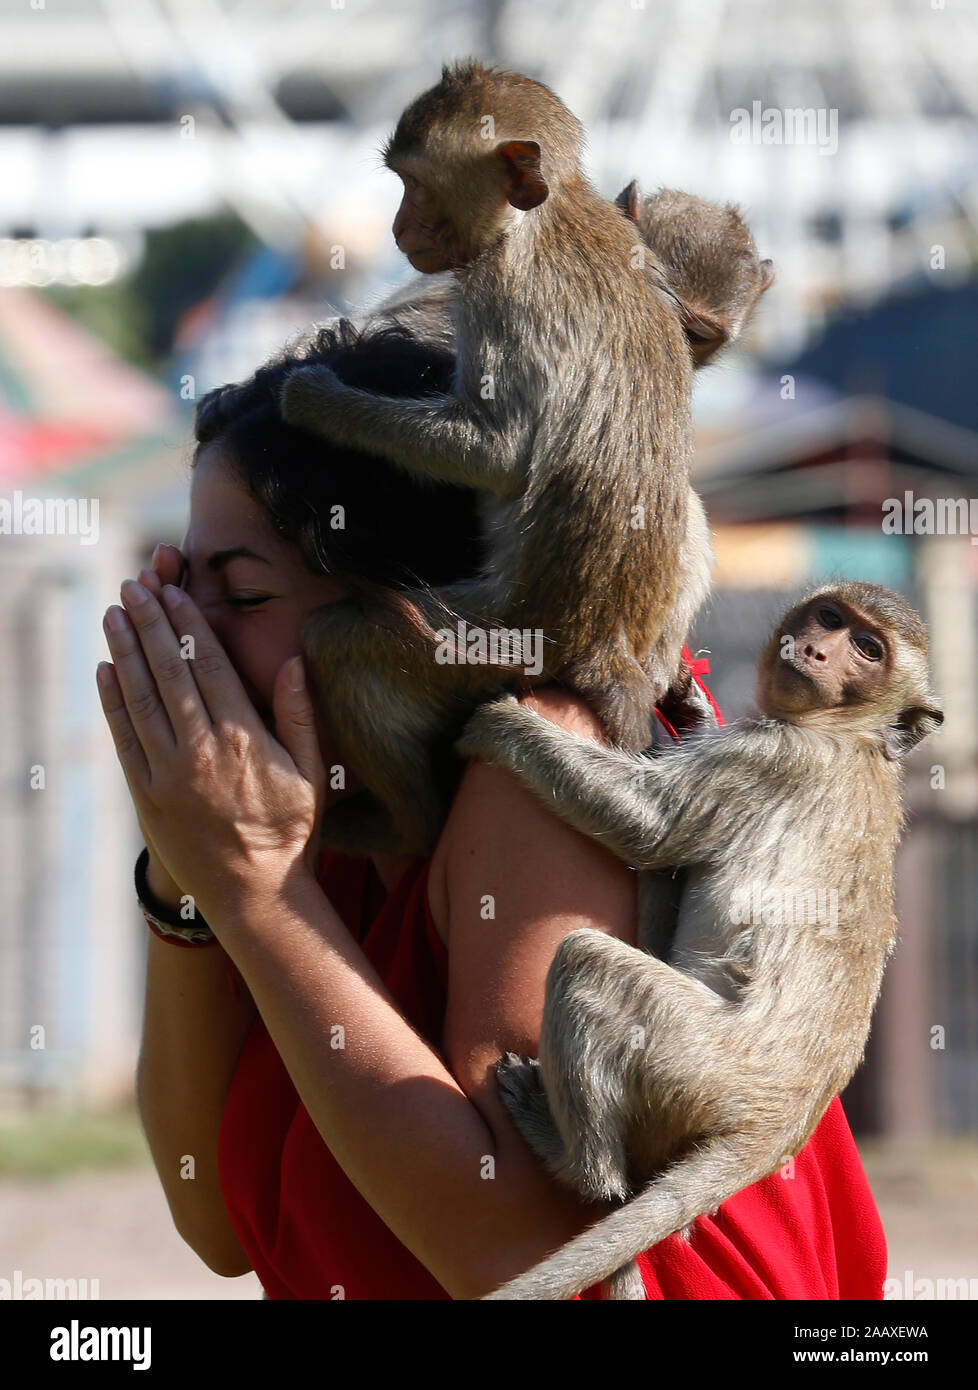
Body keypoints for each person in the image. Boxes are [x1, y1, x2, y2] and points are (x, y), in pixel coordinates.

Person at [97, 320, 887, 1300]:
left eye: (240, 597)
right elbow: (215, 1216)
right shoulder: (346, 826)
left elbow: (533, 1264)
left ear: (408, 620)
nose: (183, 642)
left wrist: (254, 894)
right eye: (179, 589)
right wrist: (188, 874)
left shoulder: (546, 768)